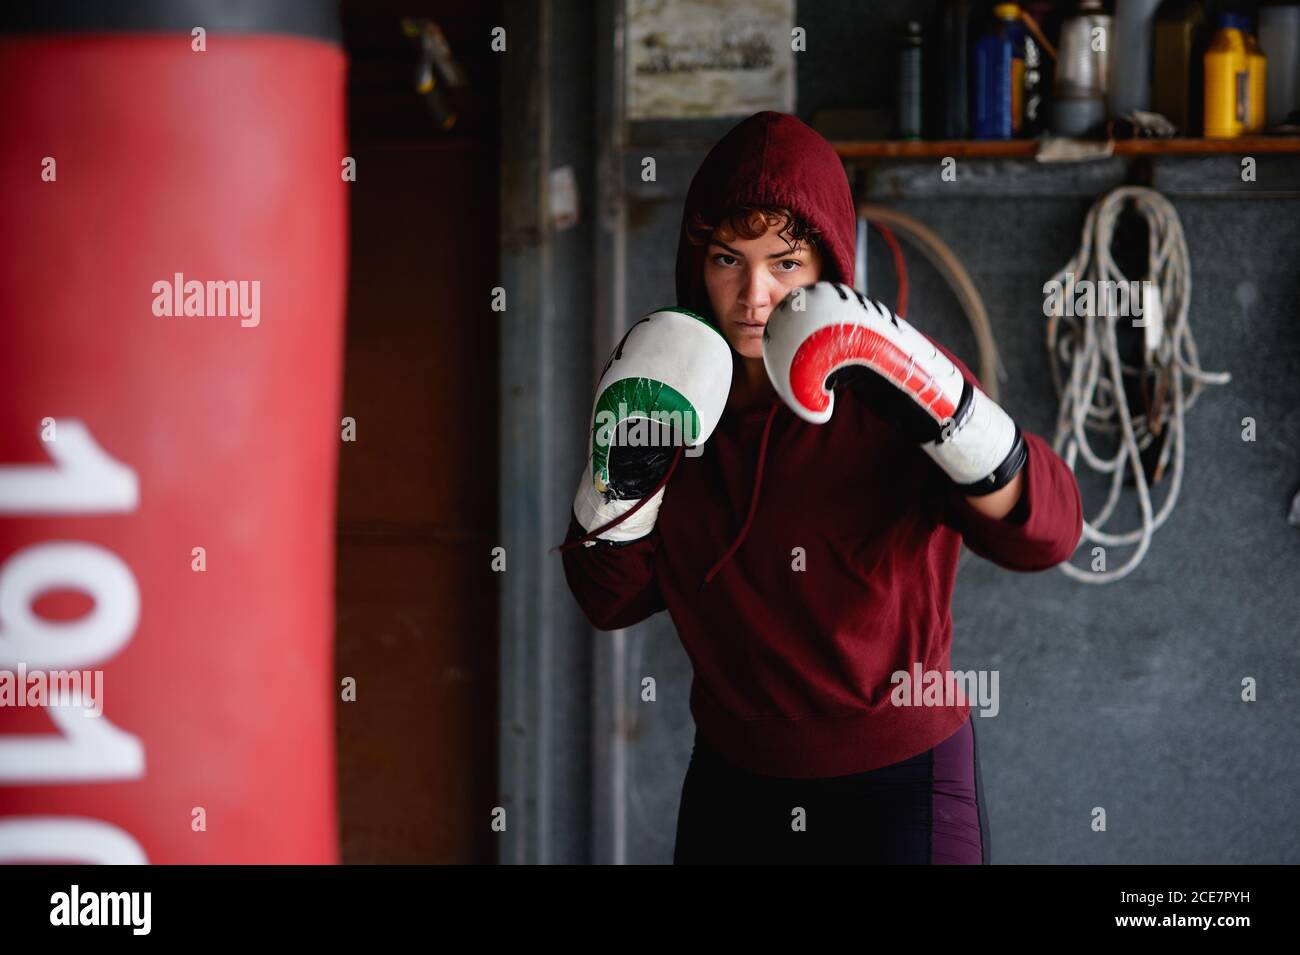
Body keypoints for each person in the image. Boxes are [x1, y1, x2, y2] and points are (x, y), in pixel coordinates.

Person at [559, 111, 1084, 864]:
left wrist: (951, 414)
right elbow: (608, 599)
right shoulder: (668, 393)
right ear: (695, 264)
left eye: (785, 262)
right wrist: (616, 479)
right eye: (727, 260)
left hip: (901, 780)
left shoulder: (889, 380)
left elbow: (1051, 535)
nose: (754, 294)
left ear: (827, 266)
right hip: (734, 784)